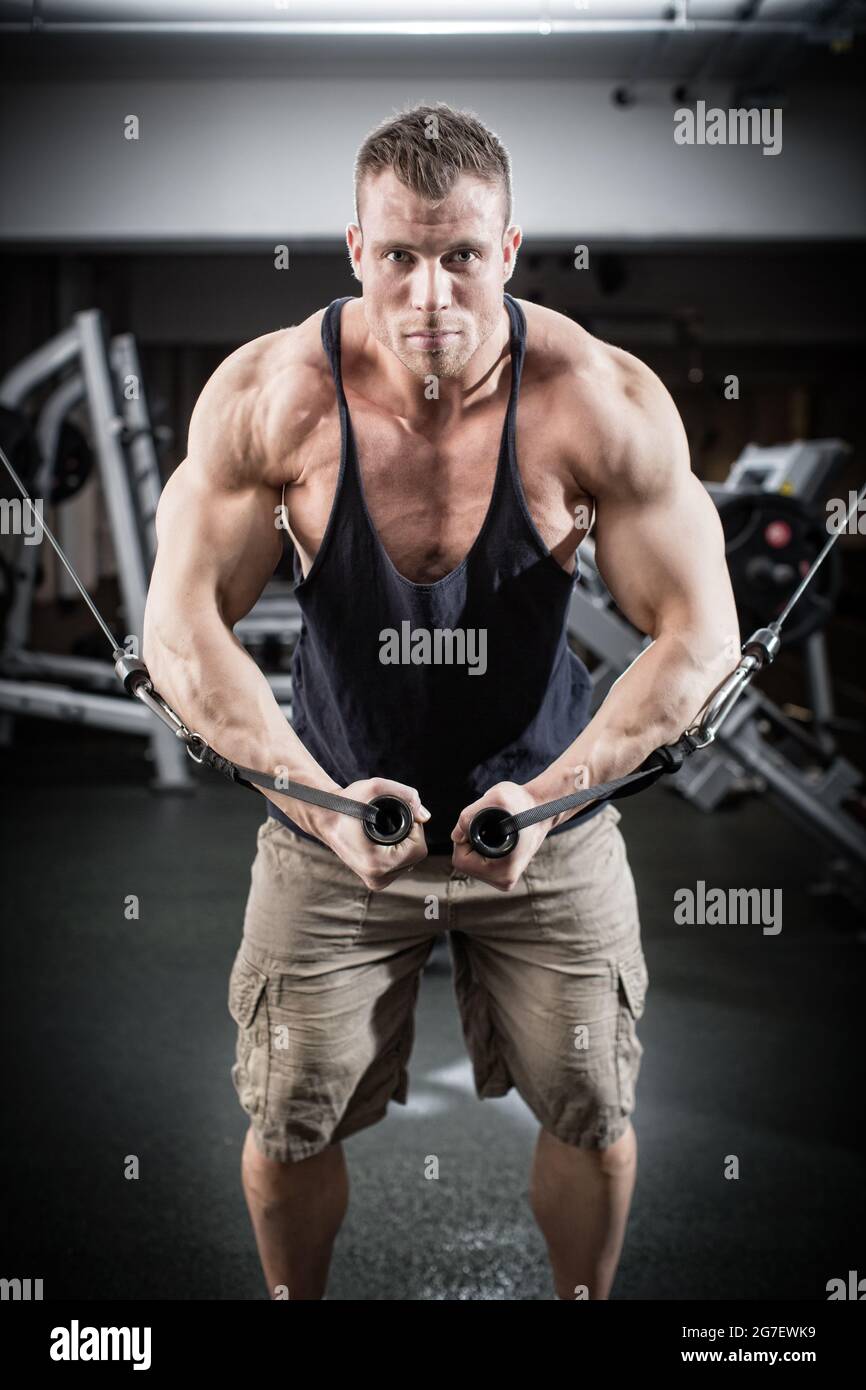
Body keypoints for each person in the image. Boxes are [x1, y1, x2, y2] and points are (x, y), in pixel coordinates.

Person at [142, 102, 738, 1300]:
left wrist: (556, 797)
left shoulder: (596, 402)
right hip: (330, 818)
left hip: (547, 817)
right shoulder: (269, 397)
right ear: (353, 251)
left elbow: (699, 636)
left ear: (507, 251)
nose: (429, 294)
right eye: (400, 255)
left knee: (592, 1104)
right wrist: (316, 804)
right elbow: (179, 627)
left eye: (460, 255)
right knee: (287, 1118)